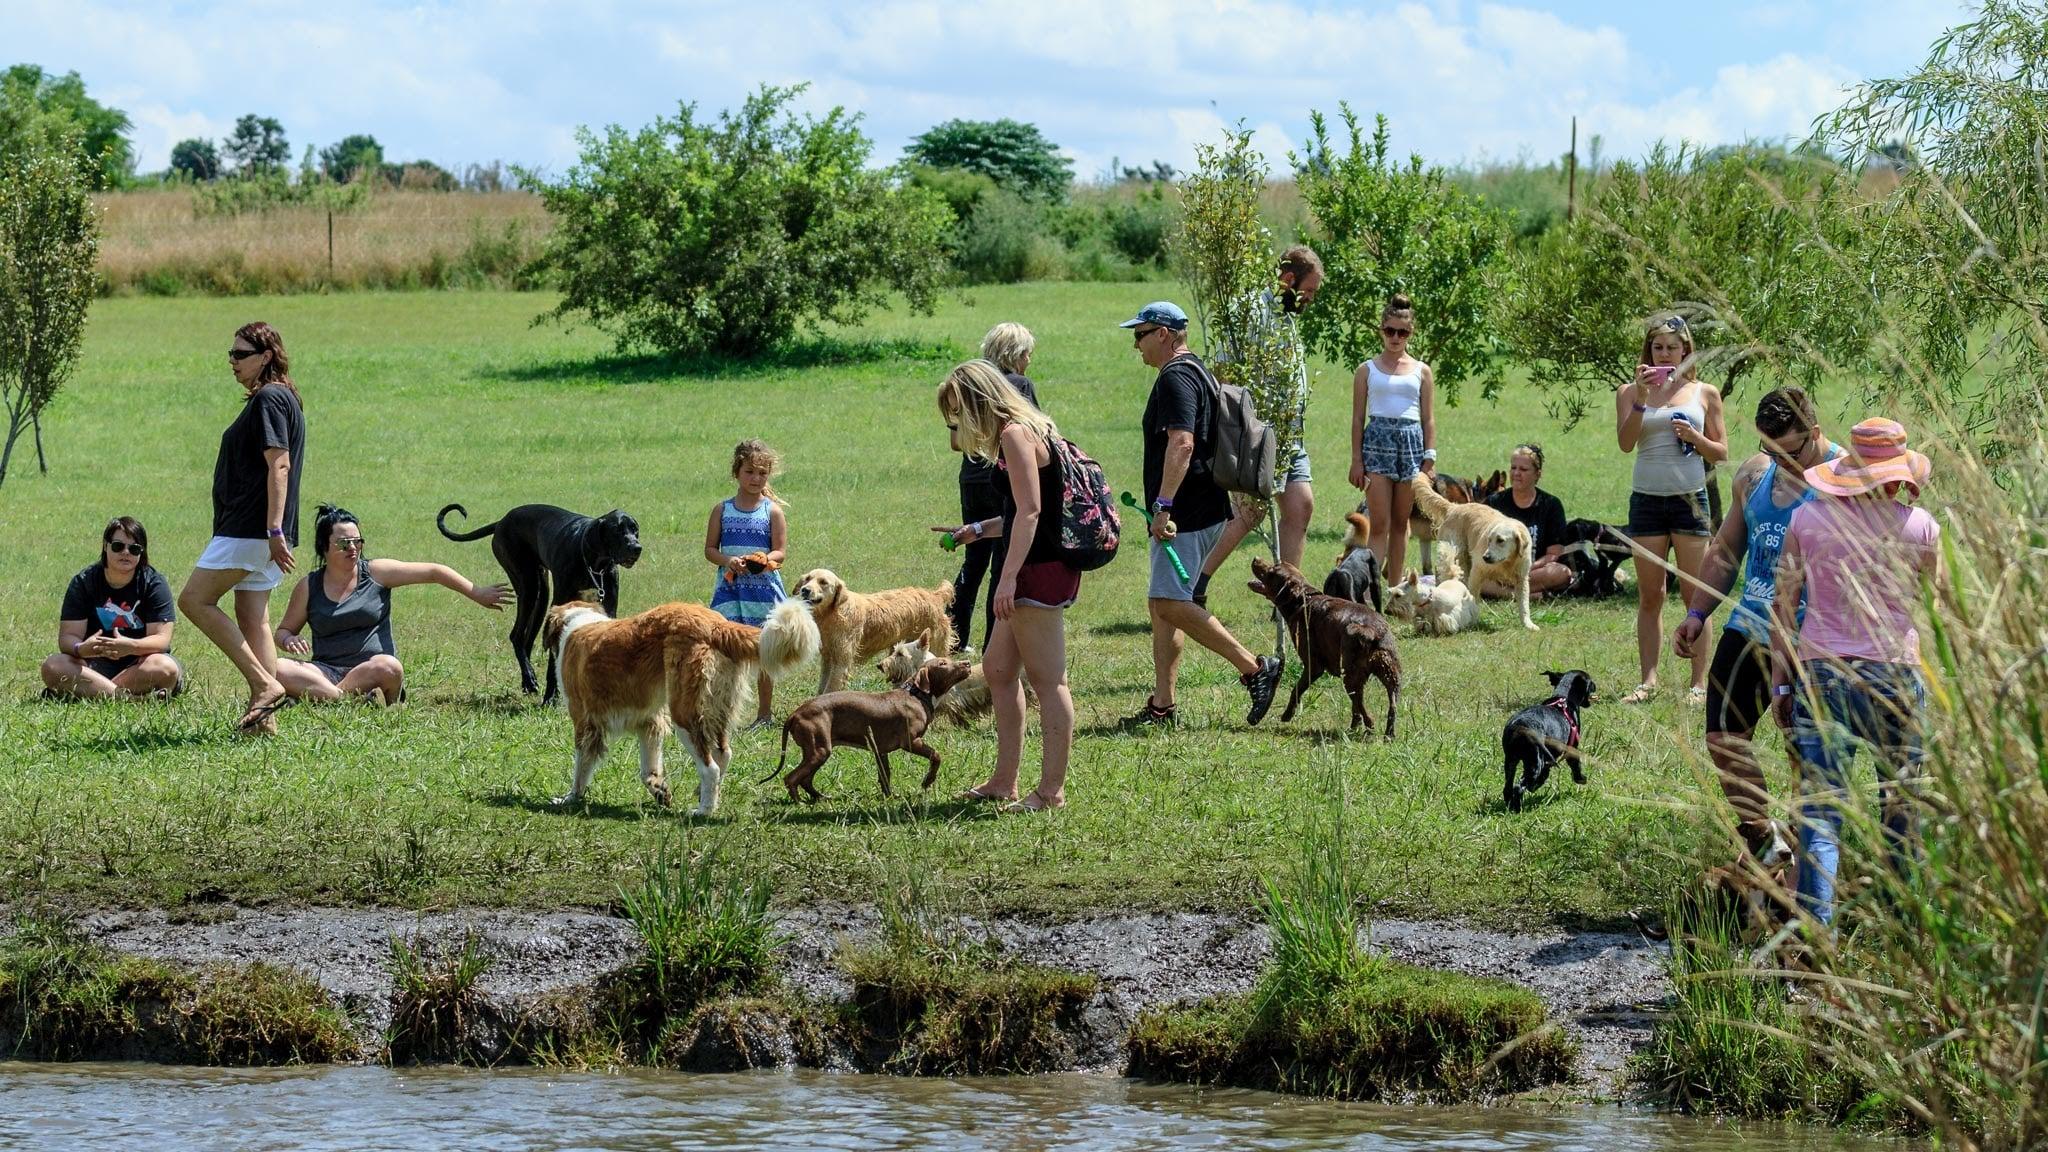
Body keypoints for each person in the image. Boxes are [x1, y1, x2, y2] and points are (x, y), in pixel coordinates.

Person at [1770, 418, 1938, 928]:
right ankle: (1903, 930)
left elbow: (1782, 607)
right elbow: (1939, 612)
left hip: (1822, 674)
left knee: (1821, 813)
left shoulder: (1808, 520)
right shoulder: (1921, 526)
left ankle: (1816, 936)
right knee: (1902, 809)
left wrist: (1781, 682)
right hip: (1897, 676)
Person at [1674, 388, 1838, 860]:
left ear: (1815, 433)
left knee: (1803, 756)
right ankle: (1766, 839)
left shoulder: (1845, 481)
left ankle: (1807, 870)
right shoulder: (1753, 475)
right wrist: (1697, 613)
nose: (1783, 461)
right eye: (1773, 450)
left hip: (1815, 640)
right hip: (1752, 627)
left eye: (1794, 450)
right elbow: (1726, 551)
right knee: (1723, 738)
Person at [1119, 301, 1284, 729]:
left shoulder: (1176, 377)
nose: (1135, 344)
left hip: (1185, 510)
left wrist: (1163, 505)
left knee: (1169, 601)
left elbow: (1183, 444)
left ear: (1164, 334)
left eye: (1140, 334)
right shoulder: (1196, 370)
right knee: (1164, 606)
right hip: (1203, 505)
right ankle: (1162, 703)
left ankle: (1254, 668)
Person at [934, 359, 1078, 811]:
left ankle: (1051, 791)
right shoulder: (1017, 432)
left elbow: (1033, 513)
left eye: (958, 414)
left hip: (1038, 568)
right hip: (1028, 561)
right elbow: (1021, 513)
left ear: (979, 401)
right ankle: (1004, 780)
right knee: (997, 669)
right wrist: (978, 530)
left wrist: (1009, 577)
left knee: (1048, 679)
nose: (957, 427)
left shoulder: (1016, 434)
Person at [177, 321, 306, 735]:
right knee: (253, 617)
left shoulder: (269, 398)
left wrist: (272, 530)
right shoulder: (284, 398)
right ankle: (262, 725)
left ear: (265, 356)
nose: (232, 362)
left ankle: (263, 683)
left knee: (195, 601)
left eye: (240, 354)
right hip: (262, 532)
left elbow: (279, 464)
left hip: (251, 530)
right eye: (230, 354)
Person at [273, 504, 510, 704]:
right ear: (324, 547)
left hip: (371, 668)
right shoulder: (309, 586)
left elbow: (434, 572)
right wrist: (288, 639)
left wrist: (477, 592)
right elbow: (283, 631)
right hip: (325, 672)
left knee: (390, 667)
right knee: (277, 667)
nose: (353, 549)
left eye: (358, 542)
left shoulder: (376, 572)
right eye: (344, 543)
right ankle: (344, 699)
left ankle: (325, 698)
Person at [1197, 246, 1323, 599]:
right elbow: (1222, 370)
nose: (1310, 299)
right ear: (1288, 280)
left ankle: (1287, 596)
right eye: (1308, 291)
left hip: (1290, 434)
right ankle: (1195, 583)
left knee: (1301, 506)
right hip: (1260, 432)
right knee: (1249, 511)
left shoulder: (1288, 316)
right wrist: (1243, 426)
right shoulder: (1248, 311)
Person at [1616, 313, 1727, 704]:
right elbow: (1626, 444)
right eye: (1657, 347)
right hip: (1646, 500)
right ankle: (1648, 680)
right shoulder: (1630, 392)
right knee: (1651, 596)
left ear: (1686, 351)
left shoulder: (1704, 393)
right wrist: (1642, 402)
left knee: (1696, 596)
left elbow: (1722, 451)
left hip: (1689, 500)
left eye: (1672, 348)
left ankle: (1699, 684)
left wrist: (1695, 438)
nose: (1665, 354)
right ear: (1649, 350)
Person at [948, 324, 1042, 651]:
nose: (1029, 360)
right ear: (1015, 354)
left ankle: (954, 638)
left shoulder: (970, 386)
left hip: (971, 479)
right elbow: (1035, 437)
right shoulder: (1019, 386)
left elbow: (955, 442)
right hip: (1002, 479)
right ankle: (993, 642)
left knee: (974, 561)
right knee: (1001, 560)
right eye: (1027, 353)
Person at [41, 516, 185, 700]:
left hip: (139, 664)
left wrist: (130, 647)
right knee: (53, 666)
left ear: (142, 552)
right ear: (105, 546)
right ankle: (131, 699)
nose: (126, 553)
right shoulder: (84, 582)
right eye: (118, 546)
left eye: (134, 549)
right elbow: (68, 637)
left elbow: (161, 640)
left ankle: (90, 693)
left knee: (166, 668)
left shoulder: (154, 583)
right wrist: (82, 649)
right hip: (94, 666)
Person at [1349, 294, 1436, 586]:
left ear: (1411, 333)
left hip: (1411, 447)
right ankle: (1370, 588)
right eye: (1390, 331)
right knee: (1380, 525)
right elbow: (1358, 418)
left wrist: (1430, 457)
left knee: (1402, 524)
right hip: (1377, 446)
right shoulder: (1366, 370)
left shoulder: (1422, 371)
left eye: (1403, 332)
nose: (1396, 337)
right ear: (1381, 330)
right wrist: (1356, 460)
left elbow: (1428, 419)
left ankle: (1395, 589)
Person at [705, 439, 790, 727]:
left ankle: (764, 715)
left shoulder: (772, 511)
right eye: (749, 472)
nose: (756, 479)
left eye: (762, 473)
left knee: (764, 650)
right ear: (736, 472)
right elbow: (710, 550)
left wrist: (762, 560)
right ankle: (722, 711)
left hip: (762, 591)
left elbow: (780, 552)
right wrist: (728, 561)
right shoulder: (722, 510)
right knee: (726, 650)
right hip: (731, 590)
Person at [1480, 444, 1572, 599]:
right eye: (1513, 468)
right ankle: (1522, 595)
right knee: (1470, 574)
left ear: (1537, 474)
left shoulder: (1551, 505)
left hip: (1532, 571)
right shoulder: (1494, 502)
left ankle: (1510, 592)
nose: (1516, 473)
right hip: (1497, 571)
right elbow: (1481, 546)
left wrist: (1526, 569)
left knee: (1562, 573)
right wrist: (1502, 571)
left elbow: (1553, 554)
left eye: (1523, 470)